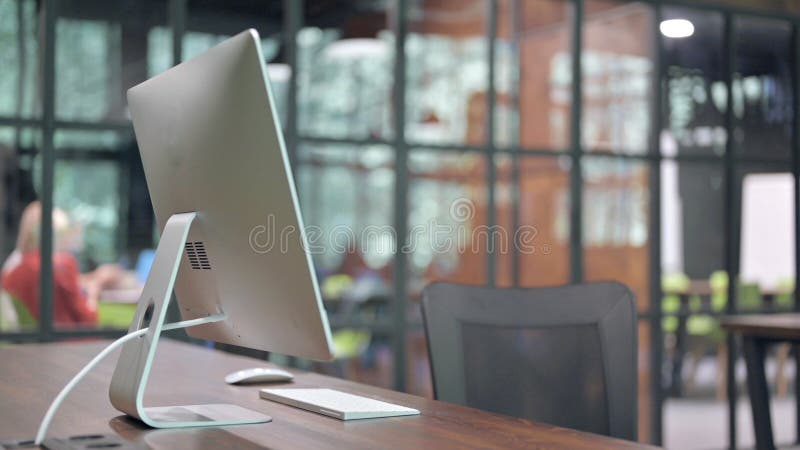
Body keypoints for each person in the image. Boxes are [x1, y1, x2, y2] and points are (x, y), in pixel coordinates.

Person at [1, 201, 127, 328]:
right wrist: (95, 287)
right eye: (63, 231)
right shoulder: (62, 264)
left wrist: (92, 277)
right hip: (68, 343)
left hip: (33, 344)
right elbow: (89, 320)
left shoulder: (13, 268)